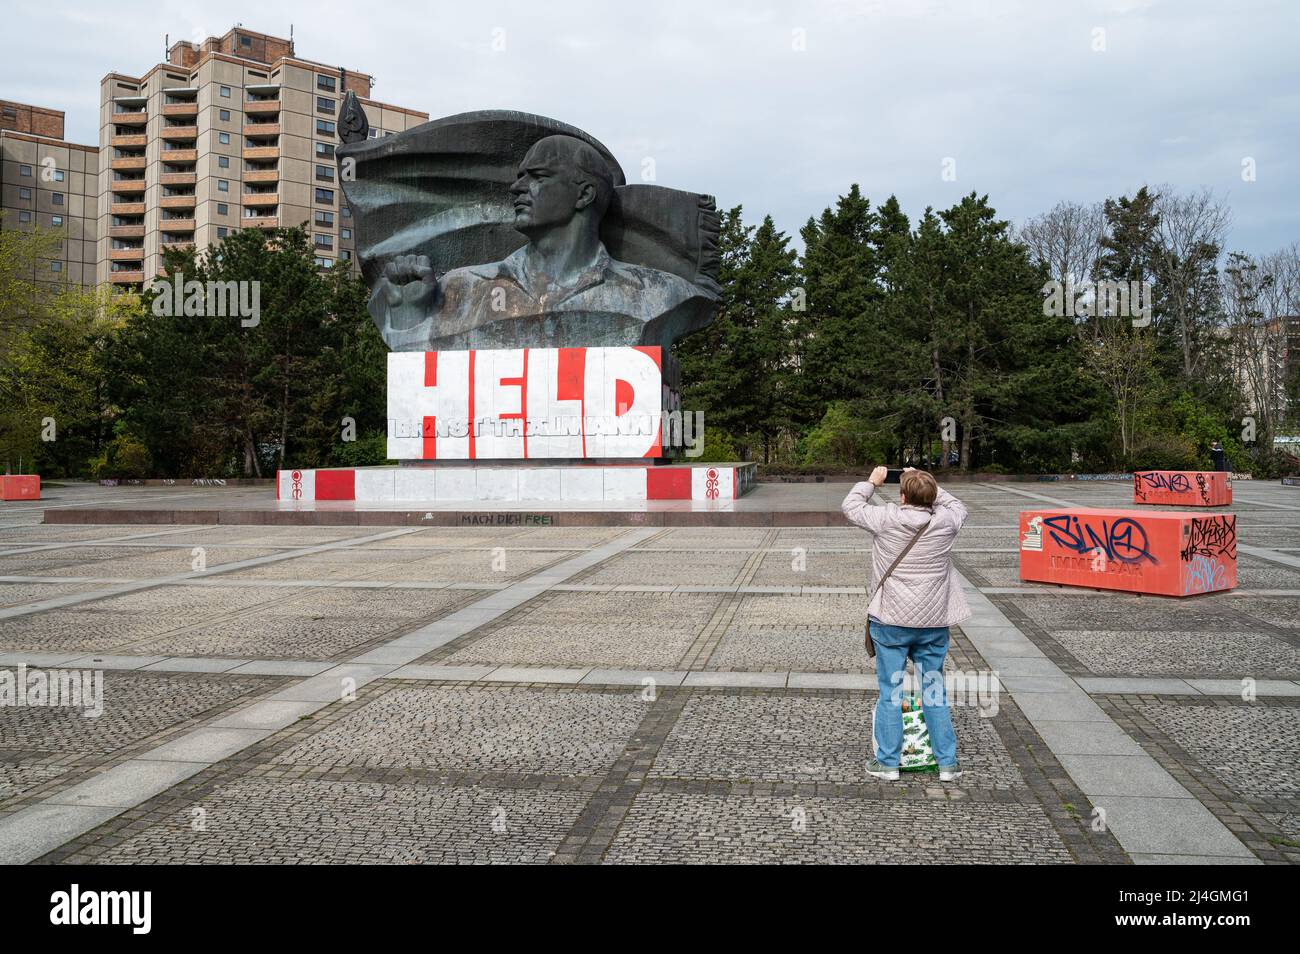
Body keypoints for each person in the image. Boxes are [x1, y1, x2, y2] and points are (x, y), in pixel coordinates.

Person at [369, 135, 710, 351]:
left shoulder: (660, 294)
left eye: (538, 177)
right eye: (520, 176)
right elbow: (424, 378)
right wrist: (410, 316)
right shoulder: (460, 290)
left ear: (584, 194)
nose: (516, 188)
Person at [842, 466, 970, 782]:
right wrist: (924, 482)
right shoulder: (946, 521)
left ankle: (887, 763)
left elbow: (851, 506)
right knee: (934, 690)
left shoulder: (886, 518)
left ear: (902, 496)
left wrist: (872, 482)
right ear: (932, 497)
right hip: (933, 622)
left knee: (891, 691)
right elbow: (957, 505)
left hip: (890, 620)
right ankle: (947, 764)